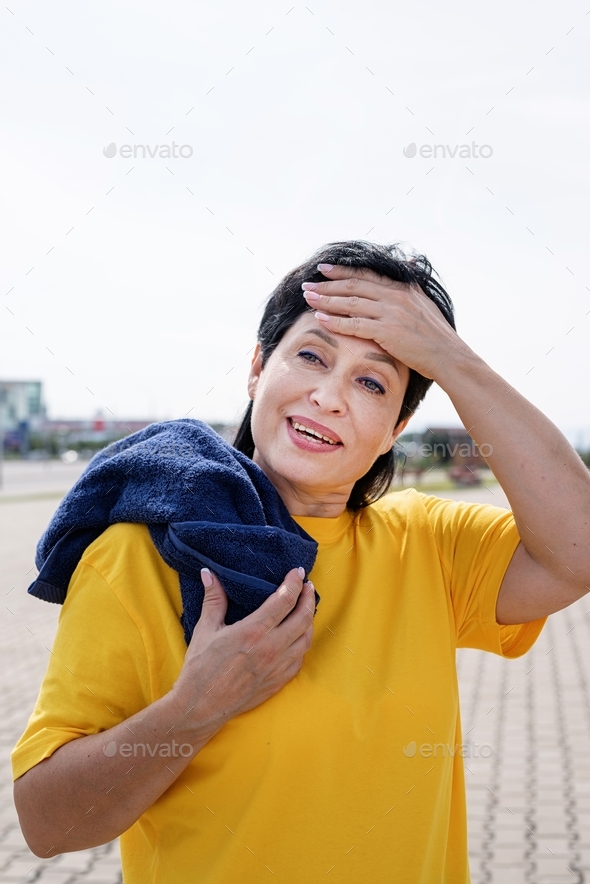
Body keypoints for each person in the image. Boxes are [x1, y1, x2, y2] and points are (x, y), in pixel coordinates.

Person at [12, 241, 590, 883]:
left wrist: (450, 356)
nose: (329, 396)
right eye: (311, 355)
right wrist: (197, 705)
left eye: (372, 381)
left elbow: (578, 548)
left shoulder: (427, 542)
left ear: (396, 427)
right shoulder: (139, 554)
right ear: (258, 367)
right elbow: (46, 823)